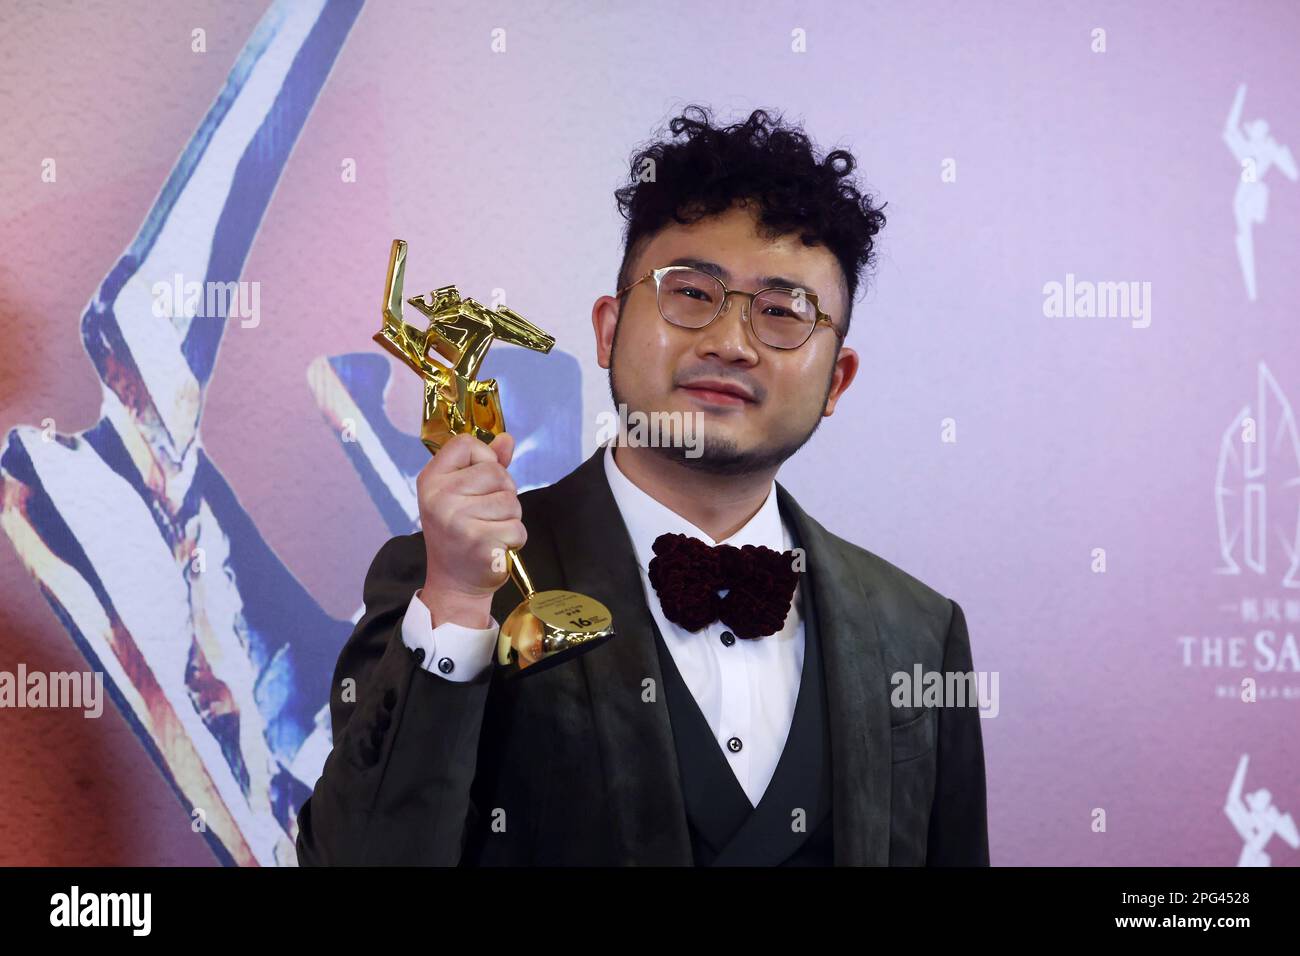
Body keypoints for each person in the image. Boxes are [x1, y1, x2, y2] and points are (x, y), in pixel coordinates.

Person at [295, 104, 989, 866]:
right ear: (607, 328)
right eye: (692, 293)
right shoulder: (445, 580)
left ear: (837, 380)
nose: (730, 343)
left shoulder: (918, 630)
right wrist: (460, 604)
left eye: (783, 311)